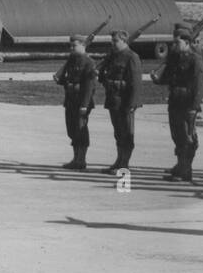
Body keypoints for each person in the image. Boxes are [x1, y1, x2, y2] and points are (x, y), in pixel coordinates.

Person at [151, 25, 203, 182]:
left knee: (188, 137)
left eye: (177, 42)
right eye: (173, 43)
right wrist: (157, 80)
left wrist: (194, 108)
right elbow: (168, 78)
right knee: (177, 136)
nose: (174, 46)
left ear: (187, 42)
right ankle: (180, 165)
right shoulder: (175, 58)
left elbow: (199, 86)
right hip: (175, 101)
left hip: (187, 104)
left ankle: (186, 170)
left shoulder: (195, 60)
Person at [97, 29, 142, 173]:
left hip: (125, 101)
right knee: (118, 133)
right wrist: (105, 80)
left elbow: (135, 83)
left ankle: (124, 164)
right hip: (113, 99)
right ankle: (118, 161)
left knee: (126, 133)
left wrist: (132, 103)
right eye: (112, 40)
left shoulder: (131, 57)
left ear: (124, 41)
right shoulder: (112, 56)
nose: (112, 43)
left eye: (115, 40)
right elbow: (103, 74)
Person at [53, 34, 96, 168]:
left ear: (83, 45)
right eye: (70, 45)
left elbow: (89, 86)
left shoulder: (89, 62)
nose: (71, 48)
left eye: (74, 45)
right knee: (72, 130)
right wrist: (60, 80)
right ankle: (75, 159)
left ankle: (81, 160)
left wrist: (84, 105)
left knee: (81, 130)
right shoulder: (72, 59)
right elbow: (67, 78)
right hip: (70, 100)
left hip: (81, 102)